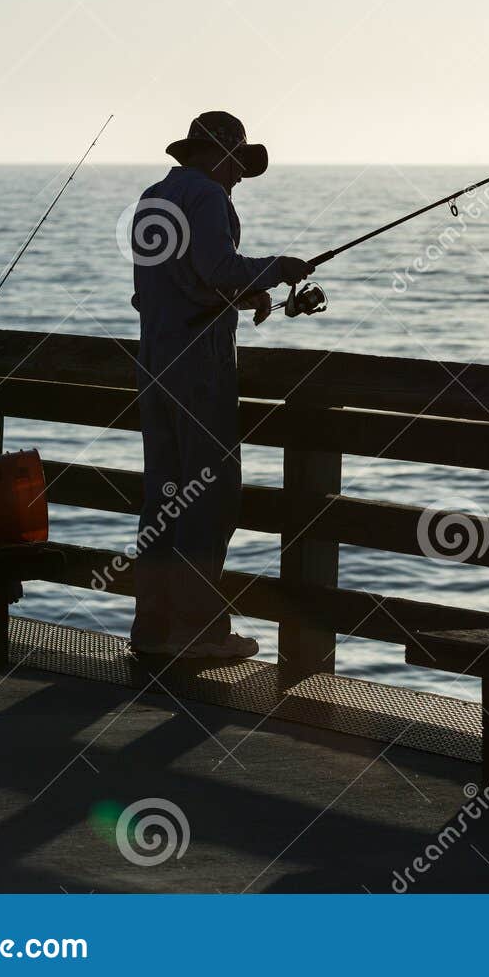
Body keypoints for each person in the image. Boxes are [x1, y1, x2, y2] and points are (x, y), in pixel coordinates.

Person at [127, 111, 313, 658]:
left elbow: (168, 286)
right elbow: (218, 267)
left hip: (154, 359)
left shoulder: (154, 197)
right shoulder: (208, 196)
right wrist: (278, 268)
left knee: (163, 492)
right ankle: (198, 632)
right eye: (237, 166)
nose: (238, 179)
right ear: (221, 155)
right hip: (200, 363)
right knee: (208, 494)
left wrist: (242, 295)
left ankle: (152, 629)